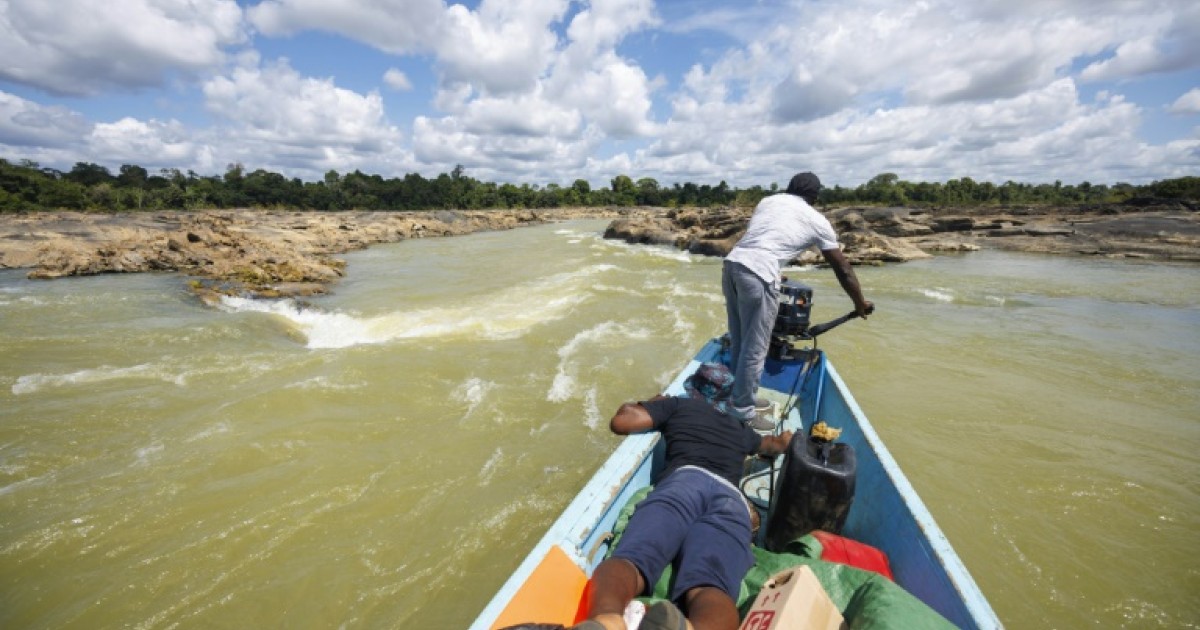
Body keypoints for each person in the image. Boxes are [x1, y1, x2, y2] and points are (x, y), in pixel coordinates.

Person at [578, 363, 791, 630]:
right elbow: (771, 446)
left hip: (685, 482)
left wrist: (653, 403)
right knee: (711, 586)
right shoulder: (739, 428)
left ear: (693, 390)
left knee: (632, 560)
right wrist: (784, 440)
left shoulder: (679, 405)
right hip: (731, 499)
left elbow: (622, 421)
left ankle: (607, 621)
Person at [722, 172, 873, 428]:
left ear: (789, 188)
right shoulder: (817, 220)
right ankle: (742, 411)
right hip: (758, 273)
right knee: (756, 348)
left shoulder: (768, 201)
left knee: (739, 340)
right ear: (814, 196)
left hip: (733, 265)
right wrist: (859, 303)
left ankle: (737, 398)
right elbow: (843, 268)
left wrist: (774, 268)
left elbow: (765, 237)